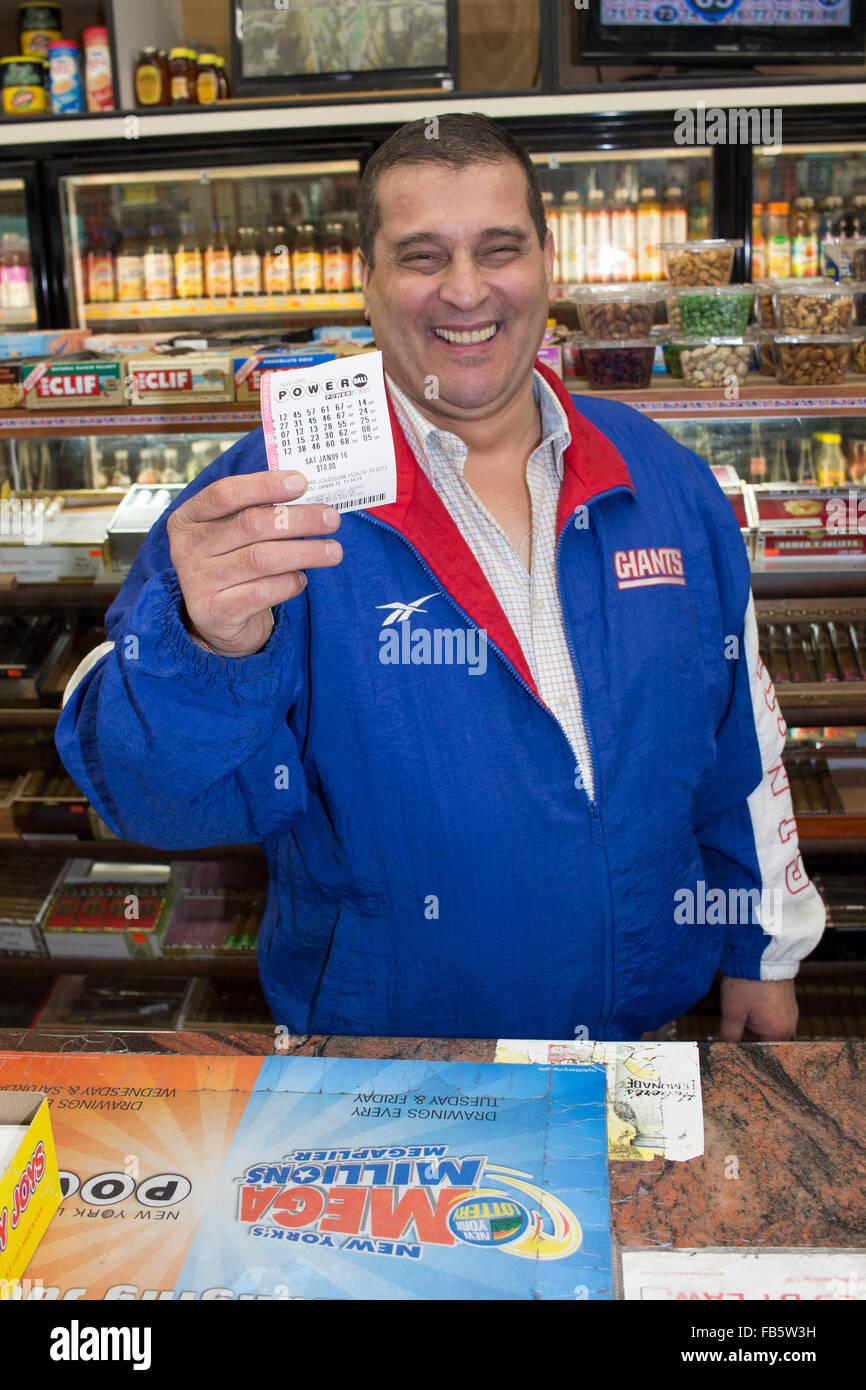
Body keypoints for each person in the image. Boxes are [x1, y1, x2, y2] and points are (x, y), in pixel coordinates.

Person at [56, 114, 824, 1043]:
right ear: (368, 280)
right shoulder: (267, 499)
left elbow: (741, 739)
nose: (466, 291)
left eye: (498, 249)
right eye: (422, 256)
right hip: (387, 1071)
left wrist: (759, 949)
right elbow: (150, 801)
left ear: (548, 262)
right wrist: (206, 647)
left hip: (634, 1051)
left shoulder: (663, 477)